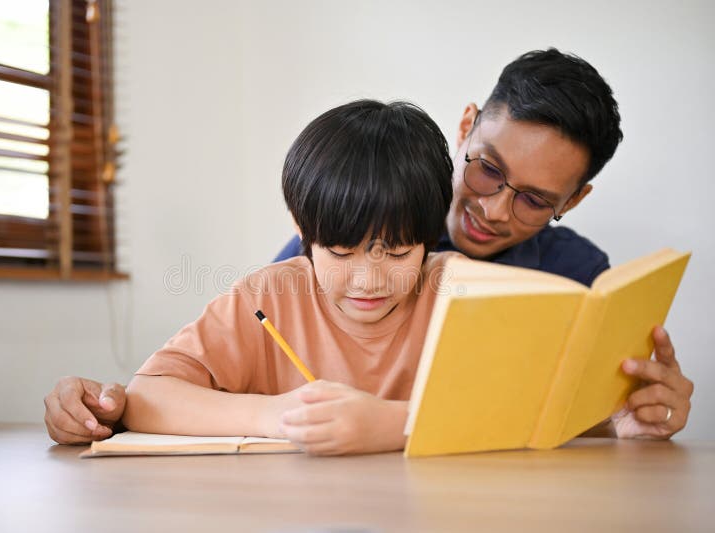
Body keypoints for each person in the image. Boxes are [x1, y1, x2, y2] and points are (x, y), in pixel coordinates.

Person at [44, 49, 693, 446]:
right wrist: (281, 415)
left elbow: (535, 412)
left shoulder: (478, 280)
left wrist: (621, 418)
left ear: (570, 202)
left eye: (531, 198)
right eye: (487, 171)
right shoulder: (289, 281)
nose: (367, 276)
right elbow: (161, 391)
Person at [122, 99, 457, 455]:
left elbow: (519, 407)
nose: (368, 281)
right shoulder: (267, 297)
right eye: (342, 253)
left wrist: (394, 425)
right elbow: (145, 397)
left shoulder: (461, 290)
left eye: (398, 253)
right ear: (303, 231)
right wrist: (274, 415)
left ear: (429, 237)